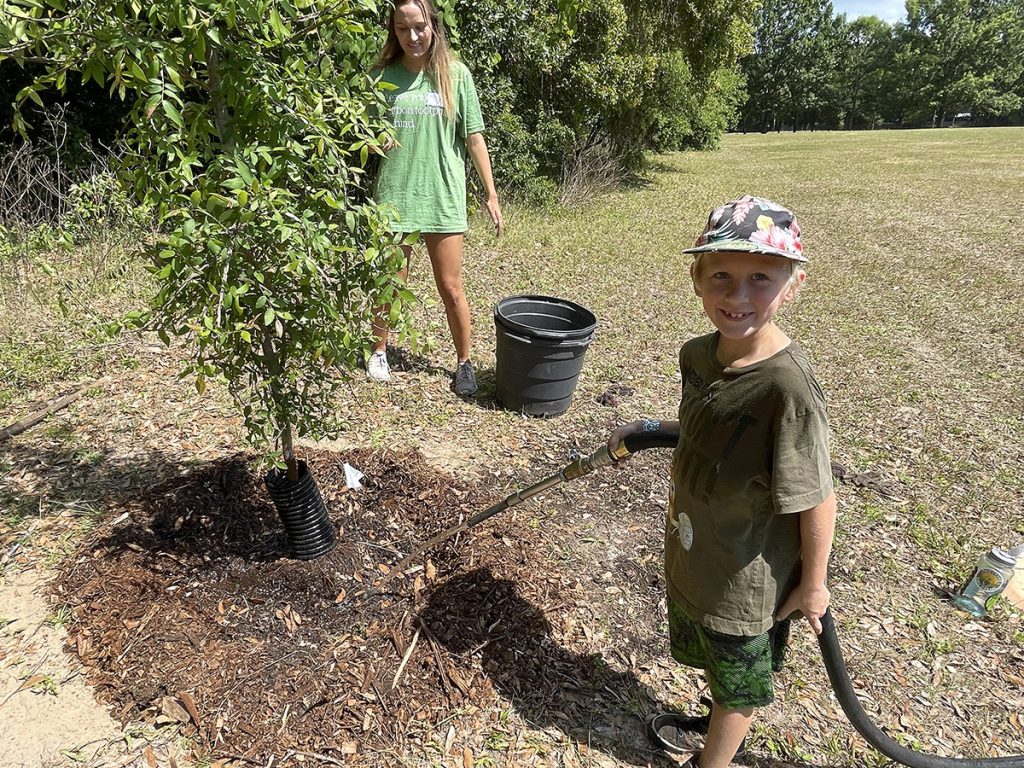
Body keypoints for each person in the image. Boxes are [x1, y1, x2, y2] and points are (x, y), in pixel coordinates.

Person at [608, 195, 837, 768]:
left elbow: (816, 496)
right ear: (697, 279)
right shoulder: (697, 355)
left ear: (794, 283)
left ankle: (714, 760)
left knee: (739, 684)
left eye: (761, 277)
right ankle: (713, 727)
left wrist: (813, 585)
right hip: (696, 553)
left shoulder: (787, 390)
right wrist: (645, 429)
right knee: (712, 661)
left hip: (746, 580)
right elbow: (702, 424)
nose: (738, 296)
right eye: (722, 276)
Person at [366, 0, 504, 397]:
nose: (412, 36)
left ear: (433, 25)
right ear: (393, 31)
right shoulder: (382, 77)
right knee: (389, 284)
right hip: (394, 199)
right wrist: (377, 140)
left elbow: (474, 137)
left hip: (442, 197)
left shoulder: (455, 75)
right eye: (402, 28)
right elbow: (366, 137)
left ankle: (464, 363)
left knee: (451, 287)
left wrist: (490, 194)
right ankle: (379, 350)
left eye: (419, 27)